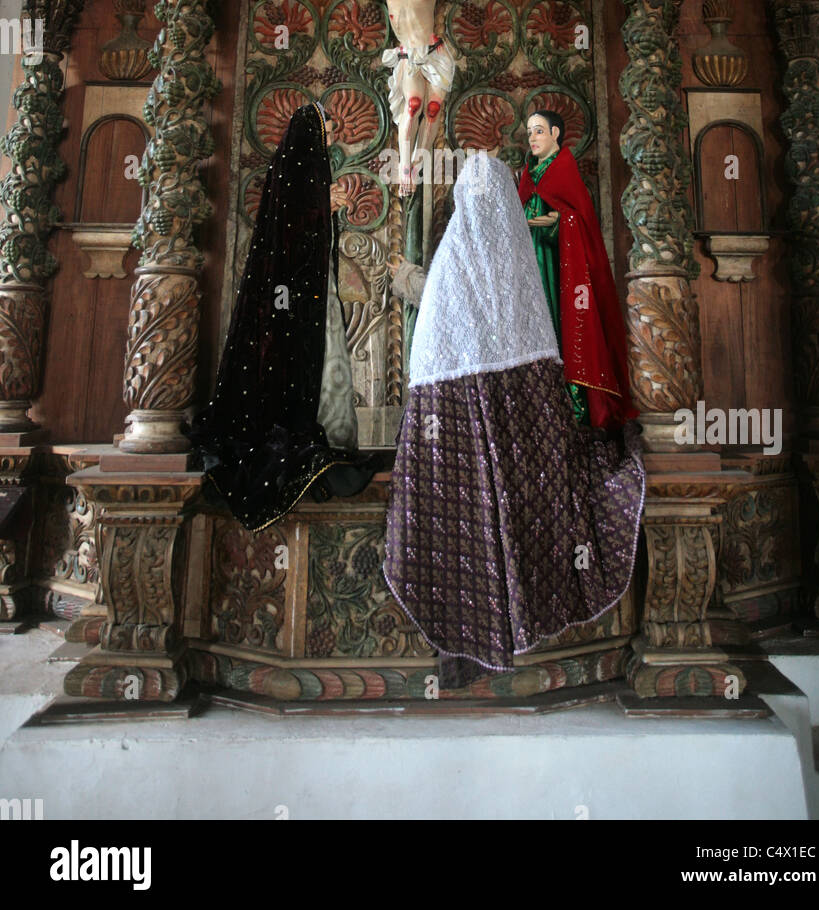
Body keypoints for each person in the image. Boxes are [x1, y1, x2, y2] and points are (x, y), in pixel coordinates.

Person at [384, 151, 645, 686]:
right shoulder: (516, 258)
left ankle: (482, 634)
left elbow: (432, 347)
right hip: (518, 430)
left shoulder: (462, 263)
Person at [184, 101, 382, 532]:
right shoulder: (297, 168)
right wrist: (321, 205)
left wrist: (325, 209)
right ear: (314, 127)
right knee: (302, 359)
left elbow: (300, 223)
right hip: (291, 293)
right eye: (329, 128)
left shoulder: (302, 167)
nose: (332, 137)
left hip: (303, 287)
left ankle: (333, 434)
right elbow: (289, 224)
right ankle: (312, 434)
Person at [299, 0, 535, 194]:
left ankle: (414, 167)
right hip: (408, 55)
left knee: (432, 109)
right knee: (413, 106)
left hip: (435, 54)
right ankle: (404, 169)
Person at [520, 109, 637, 430]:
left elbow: (578, 219)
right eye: (530, 131)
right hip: (531, 262)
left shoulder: (565, 170)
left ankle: (574, 403)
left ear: (556, 133)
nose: (532, 137)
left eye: (539, 131)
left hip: (561, 268)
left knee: (564, 323)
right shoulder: (528, 173)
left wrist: (558, 221)